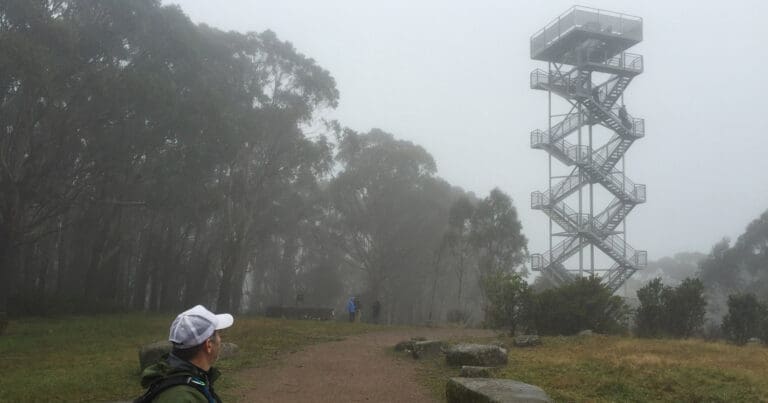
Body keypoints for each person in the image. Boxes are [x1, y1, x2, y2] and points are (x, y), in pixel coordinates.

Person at [136, 305, 234, 403]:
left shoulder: (191, 380)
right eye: (218, 333)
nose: (220, 339)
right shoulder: (180, 397)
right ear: (208, 345)